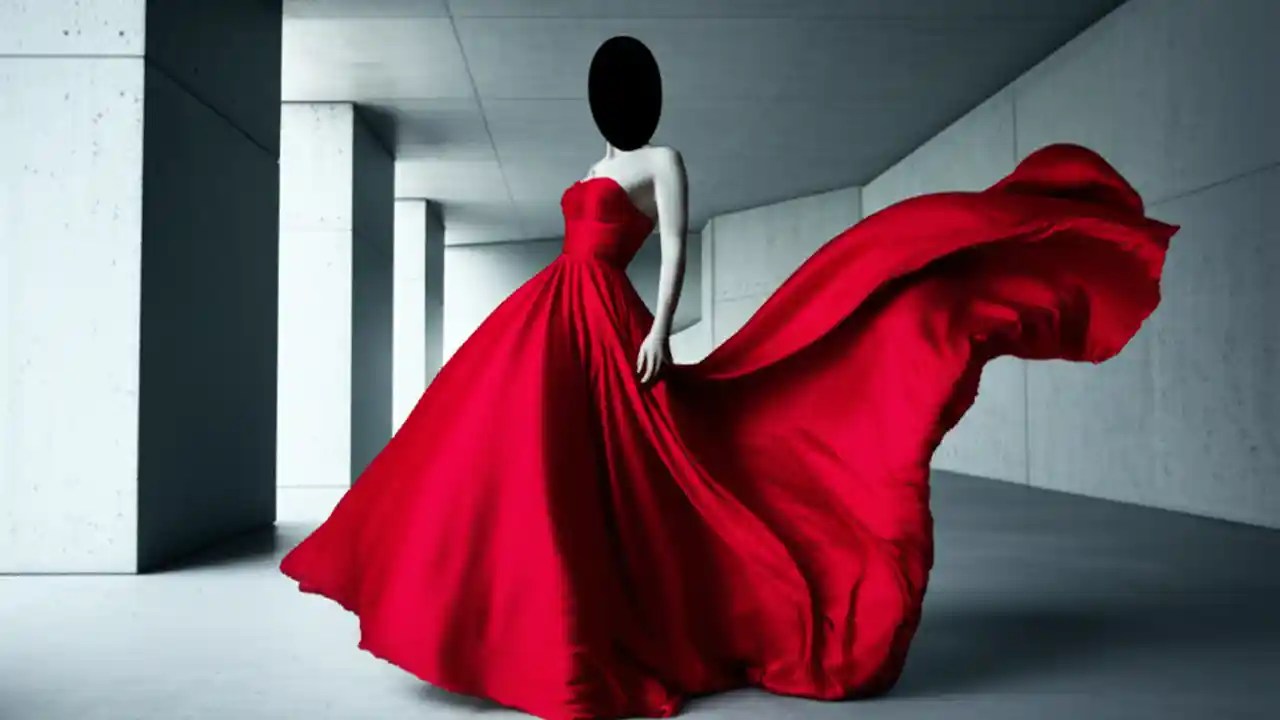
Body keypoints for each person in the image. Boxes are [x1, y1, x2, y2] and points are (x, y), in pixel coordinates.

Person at [280, 35, 1178, 720]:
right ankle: (497, 619)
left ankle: (607, 632)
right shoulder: (591, 168)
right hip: (552, 313)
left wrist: (663, 332)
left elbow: (672, 249)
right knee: (515, 462)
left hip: (614, 323)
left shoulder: (659, 163)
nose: (616, 103)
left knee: (634, 476)